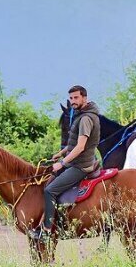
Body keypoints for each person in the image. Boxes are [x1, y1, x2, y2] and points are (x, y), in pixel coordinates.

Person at [29, 84, 101, 241]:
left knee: (50, 191)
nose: (73, 101)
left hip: (81, 165)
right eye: (71, 98)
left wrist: (62, 162)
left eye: (76, 98)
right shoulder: (81, 114)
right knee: (48, 182)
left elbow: (81, 147)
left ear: (84, 98)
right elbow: (75, 142)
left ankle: (47, 231)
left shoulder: (86, 119)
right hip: (74, 161)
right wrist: (61, 153)